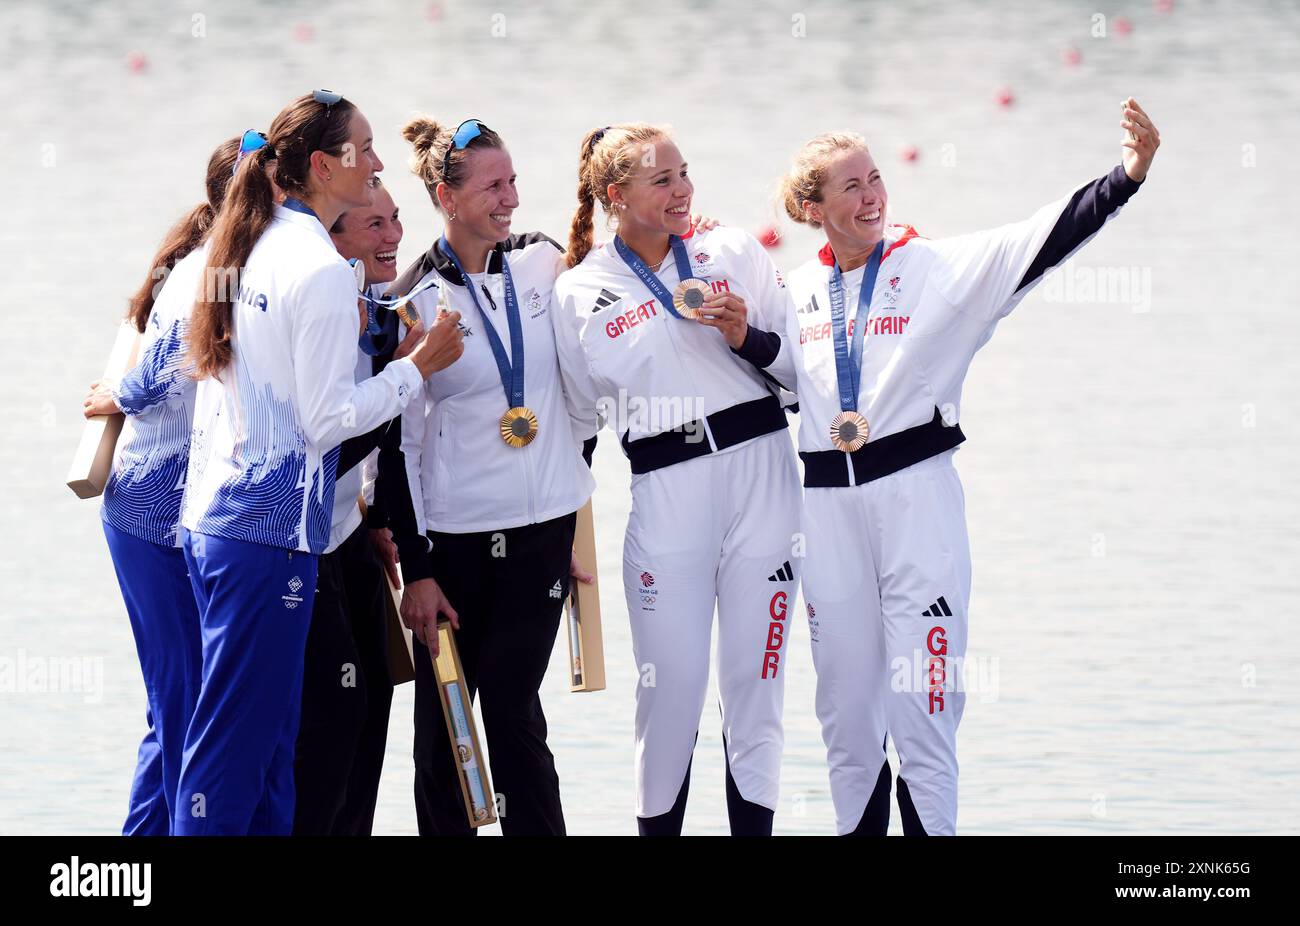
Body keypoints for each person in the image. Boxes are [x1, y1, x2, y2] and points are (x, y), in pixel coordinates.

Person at [778, 98, 1161, 836]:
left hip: (917, 508)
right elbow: (775, 377)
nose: (872, 197)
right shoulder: (791, 292)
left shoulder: (936, 269)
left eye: (877, 179)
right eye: (852, 187)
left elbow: (1042, 239)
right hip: (826, 514)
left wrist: (1128, 176)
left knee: (923, 712)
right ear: (811, 206)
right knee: (847, 722)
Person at [177, 90, 462, 836]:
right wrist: (416, 368)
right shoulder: (319, 266)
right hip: (267, 540)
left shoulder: (256, 241)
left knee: (272, 751)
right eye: (363, 149)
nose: (374, 162)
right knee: (235, 754)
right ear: (321, 165)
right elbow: (329, 420)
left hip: (227, 526)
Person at [552, 123, 801, 836]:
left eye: (684, 175)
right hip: (667, 494)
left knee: (756, 688)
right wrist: (564, 539)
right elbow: (576, 431)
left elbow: (801, 378)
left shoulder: (733, 252)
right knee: (673, 693)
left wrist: (746, 338)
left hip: (764, 481)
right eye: (662, 181)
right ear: (615, 196)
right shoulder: (579, 291)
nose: (683, 190)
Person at [378, 116, 595, 836]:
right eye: (493, 185)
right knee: (445, 728)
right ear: (447, 195)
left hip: (543, 536)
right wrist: (420, 570)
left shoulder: (543, 262)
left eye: (513, 182)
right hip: (455, 544)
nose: (510, 198)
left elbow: (582, 388)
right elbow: (397, 449)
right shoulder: (410, 299)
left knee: (510, 710)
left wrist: (566, 488)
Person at [81, 134, 242, 834]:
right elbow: (160, 367)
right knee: (185, 703)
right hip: (150, 513)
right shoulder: (212, 267)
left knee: (175, 705)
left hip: (186, 510)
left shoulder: (242, 261)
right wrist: (120, 390)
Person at [292, 181, 418, 835]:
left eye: (396, 219)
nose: (394, 235)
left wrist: (378, 518)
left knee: (374, 696)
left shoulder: (387, 310)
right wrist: (407, 375)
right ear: (331, 240)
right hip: (294, 541)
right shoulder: (320, 311)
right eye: (374, 225)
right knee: (333, 713)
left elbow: (389, 445)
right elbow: (320, 455)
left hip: (349, 532)